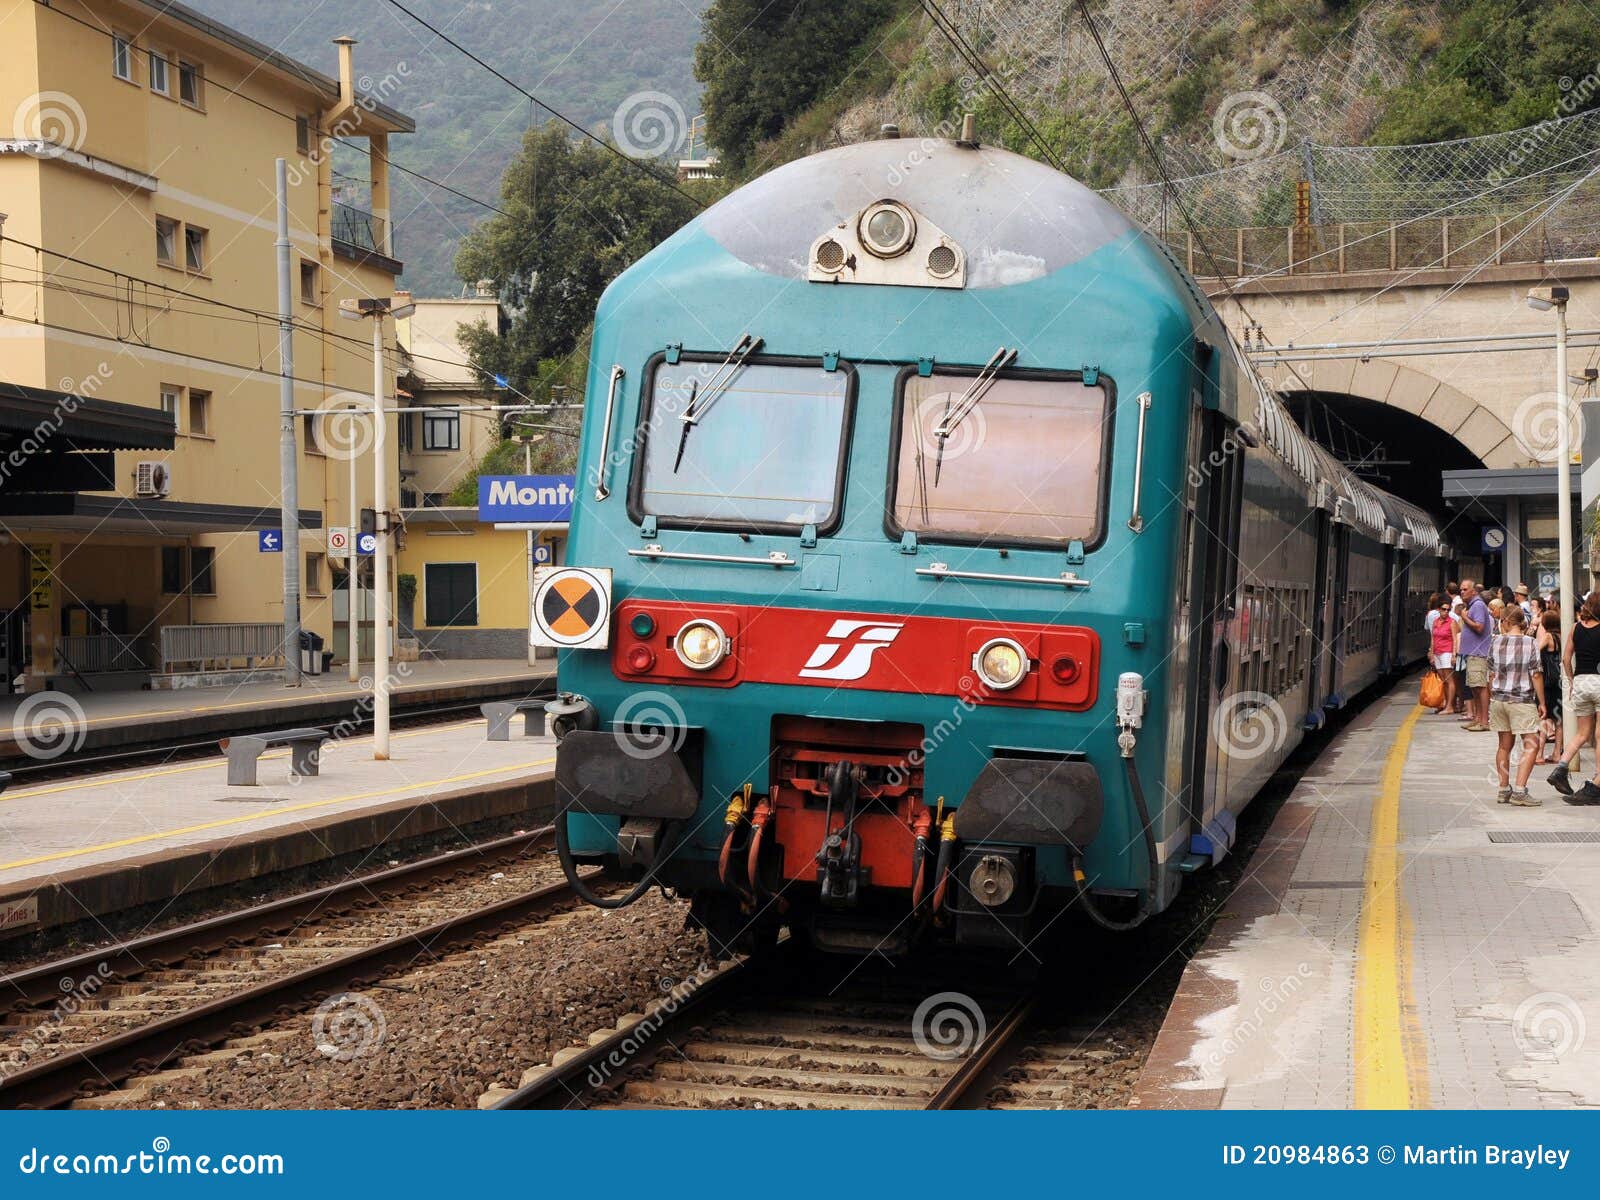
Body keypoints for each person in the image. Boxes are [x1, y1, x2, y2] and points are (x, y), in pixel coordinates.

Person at [1488, 606, 1546, 805]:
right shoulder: (1530, 643)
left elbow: (1491, 673)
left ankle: (1503, 789)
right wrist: (1543, 702)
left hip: (1498, 700)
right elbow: (1536, 674)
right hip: (1521, 700)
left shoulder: (1495, 641)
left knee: (1504, 745)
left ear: (1504, 621)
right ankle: (1520, 791)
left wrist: (1493, 694)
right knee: (1532, 743)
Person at [1548, 592, 1600, 803]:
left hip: (1580, 682)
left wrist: (1571, 680)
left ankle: (1561, 766)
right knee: (1598, 735)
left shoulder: (1575, 628)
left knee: (1582, 733)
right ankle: (1597, 780)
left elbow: (1566, 658)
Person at [1458, 579, 1493, 732]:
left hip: (1478, 653)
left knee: (1480, 687)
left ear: (1473, 591)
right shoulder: (1472, 605)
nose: (1462, 592)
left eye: (1465, 589)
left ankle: (1484, 721)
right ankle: (1478, 718)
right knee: (1474, 687)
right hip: (1472, 653)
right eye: (1461, 589)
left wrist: (1464, 617)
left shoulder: (1478, 605)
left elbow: (1479, 627)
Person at [1536, 608, 1564, 762]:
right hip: (1559, 682)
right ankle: (1557, 754)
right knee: (1559, 720)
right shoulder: (1561, 636)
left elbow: (1536, 651)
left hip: (1547, 682)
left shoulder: (1547, 636)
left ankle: (1539, 754)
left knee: (1544, 718)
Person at [1427, 592, 1459, 716]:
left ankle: (1450, 706)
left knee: (1449, 679)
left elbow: (1455, 639)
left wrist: (1454, 654)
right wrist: (1431, 651)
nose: (1446, 612)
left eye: (1448, 610)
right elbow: (1433, 638)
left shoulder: (1452, 622)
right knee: (1443, 680)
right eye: (1443, 609)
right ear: (1439, 609)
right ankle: (1446, 704)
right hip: (1437, 652)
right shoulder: (1435, 622)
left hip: (1447, 652)